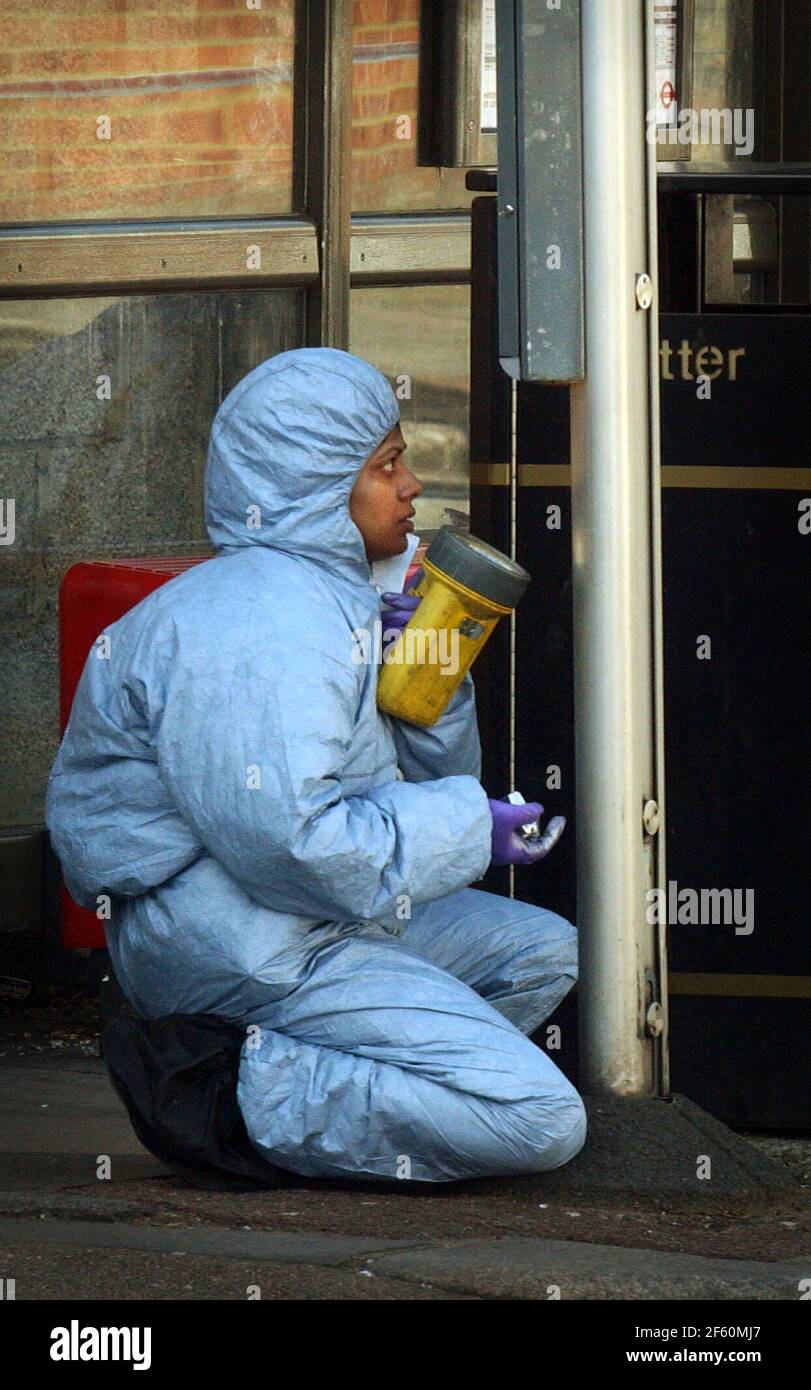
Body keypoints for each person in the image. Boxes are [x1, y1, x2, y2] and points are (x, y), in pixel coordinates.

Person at [46, 347, 586, 1184]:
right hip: (241, 945)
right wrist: (467, 826)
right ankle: (222, 1089)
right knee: (539, 1120)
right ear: (314, 483)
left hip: (316, 921)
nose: (411, 486)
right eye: (386, 465)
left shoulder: (327, 596)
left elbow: (391, 799)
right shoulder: (261, 624)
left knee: (542, 951)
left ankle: (331, 1072)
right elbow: (291, 847)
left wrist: (428, 686)